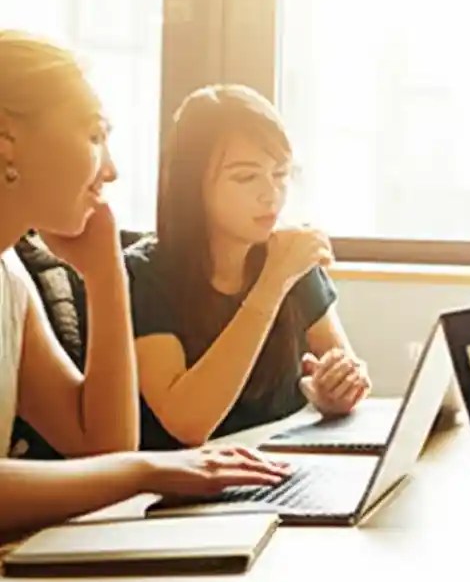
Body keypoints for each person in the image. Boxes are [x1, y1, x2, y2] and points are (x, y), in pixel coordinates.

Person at [0, 31, 287, 537]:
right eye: (94, 136)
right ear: (6, 143)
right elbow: (121, 466)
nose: (109, 170)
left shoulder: (10, 278)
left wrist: (106, 272)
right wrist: (151, 469)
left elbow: (102, 450)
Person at [127, 84, 371, 450]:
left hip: (279, 466)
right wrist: (273, 282)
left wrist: (337, 390)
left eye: (280, 174)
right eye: (246, 176)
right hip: (182, 487)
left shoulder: (290, 256)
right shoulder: (143, 274)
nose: (270, 194)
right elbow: (188, 424)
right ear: (192, 185)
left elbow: (344, 368)